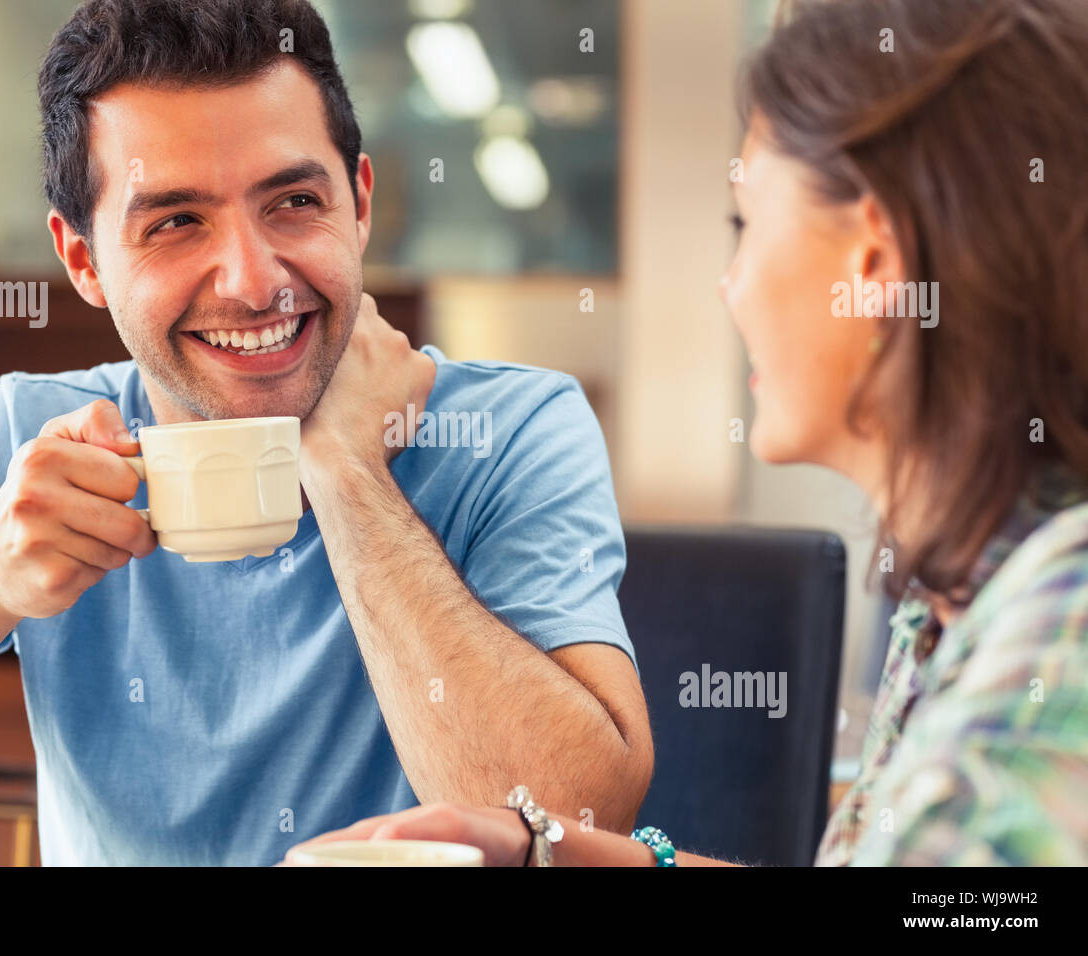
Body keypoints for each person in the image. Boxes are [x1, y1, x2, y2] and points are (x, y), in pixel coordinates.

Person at [0, 0, 654, 865]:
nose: (252, 281)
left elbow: (583, 822)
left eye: (294, 202)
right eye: (174, 222)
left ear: (358, 205)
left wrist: (349, 473)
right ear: (84, 261)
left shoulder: (509, 432)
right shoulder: (20, 441)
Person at [287, 0, 1088, 866]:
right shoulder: (955, 604)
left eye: (746, 226)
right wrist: (554, 854)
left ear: (871, 262)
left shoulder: (1060, 635)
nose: (730, 286)